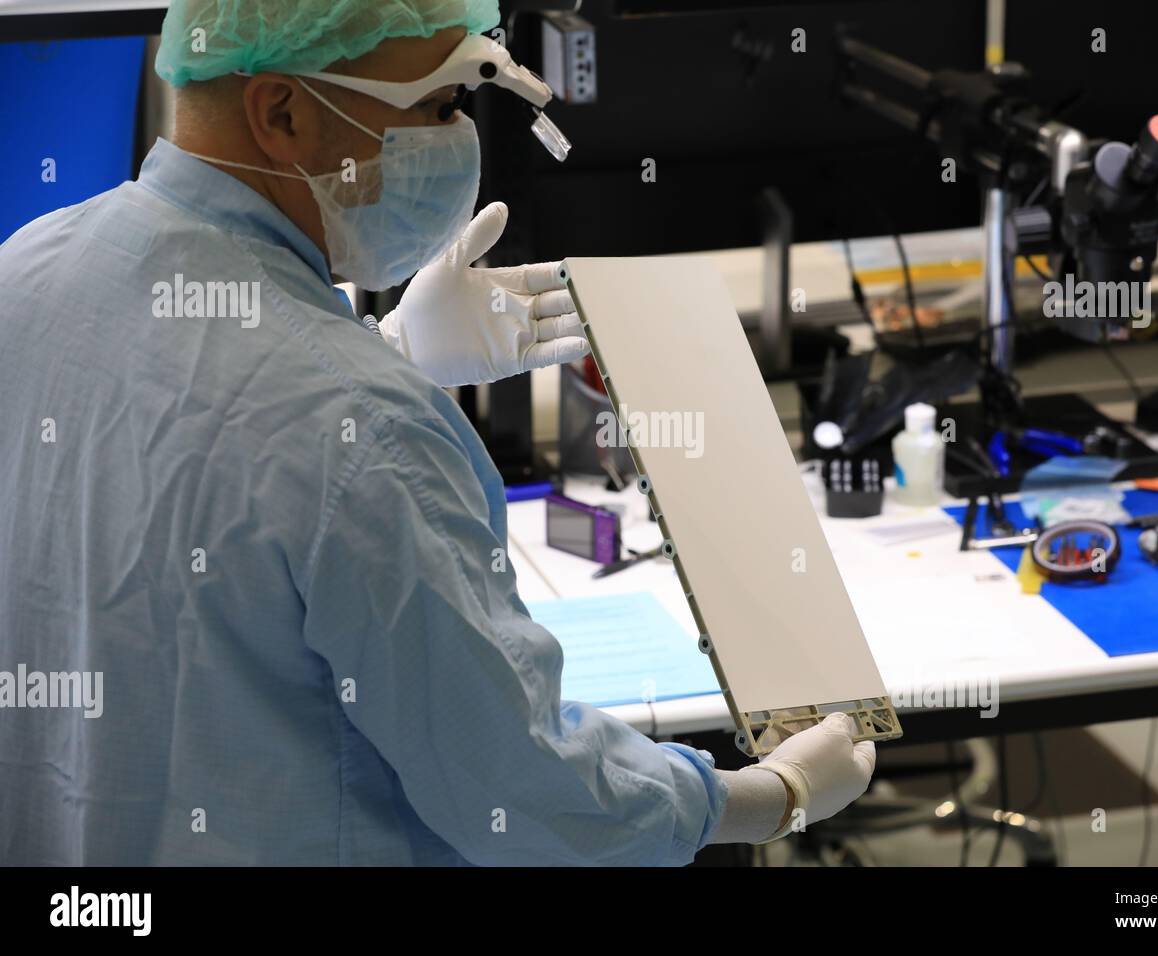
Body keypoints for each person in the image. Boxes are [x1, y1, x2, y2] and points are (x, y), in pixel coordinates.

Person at [0, 0, 875, 865]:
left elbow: (186, 454)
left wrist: (382, 352)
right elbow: (524, 792)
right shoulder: (365, 426)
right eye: (439, 105)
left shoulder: (26, 270)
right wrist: (770, 799)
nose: (459, 138)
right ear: (283, 112)